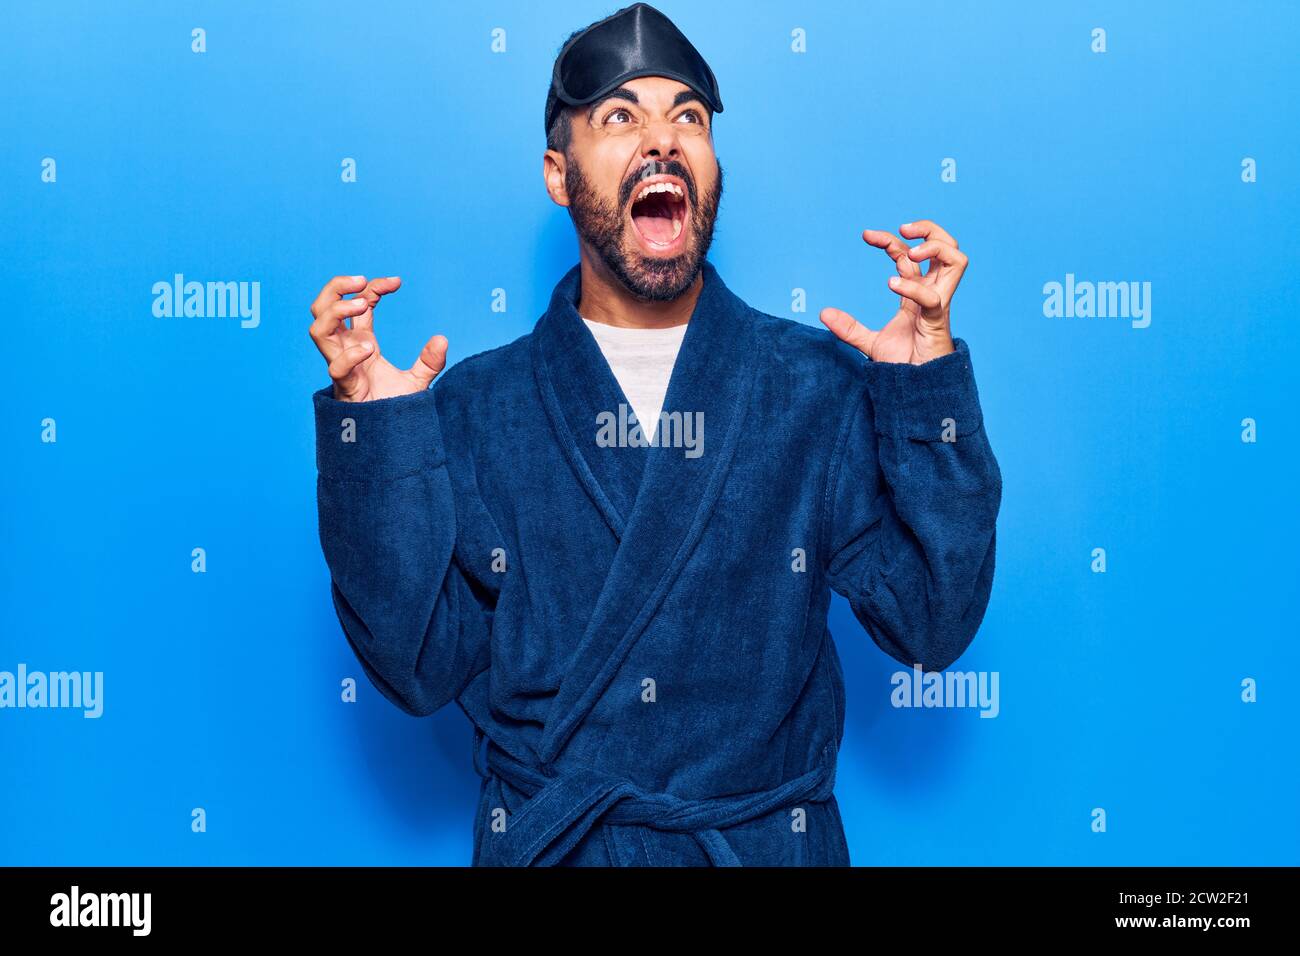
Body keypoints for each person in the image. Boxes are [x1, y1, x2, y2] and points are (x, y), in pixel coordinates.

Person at [307, 2, 1002, 866]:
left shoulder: (816, 386)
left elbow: (932, 625)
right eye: (621, 117)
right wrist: (378, 443)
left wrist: (920, 392)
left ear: (713, 164)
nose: (663, 140)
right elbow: (414, 668)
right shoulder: (478, 404)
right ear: (559, 174)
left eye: (689, 118)